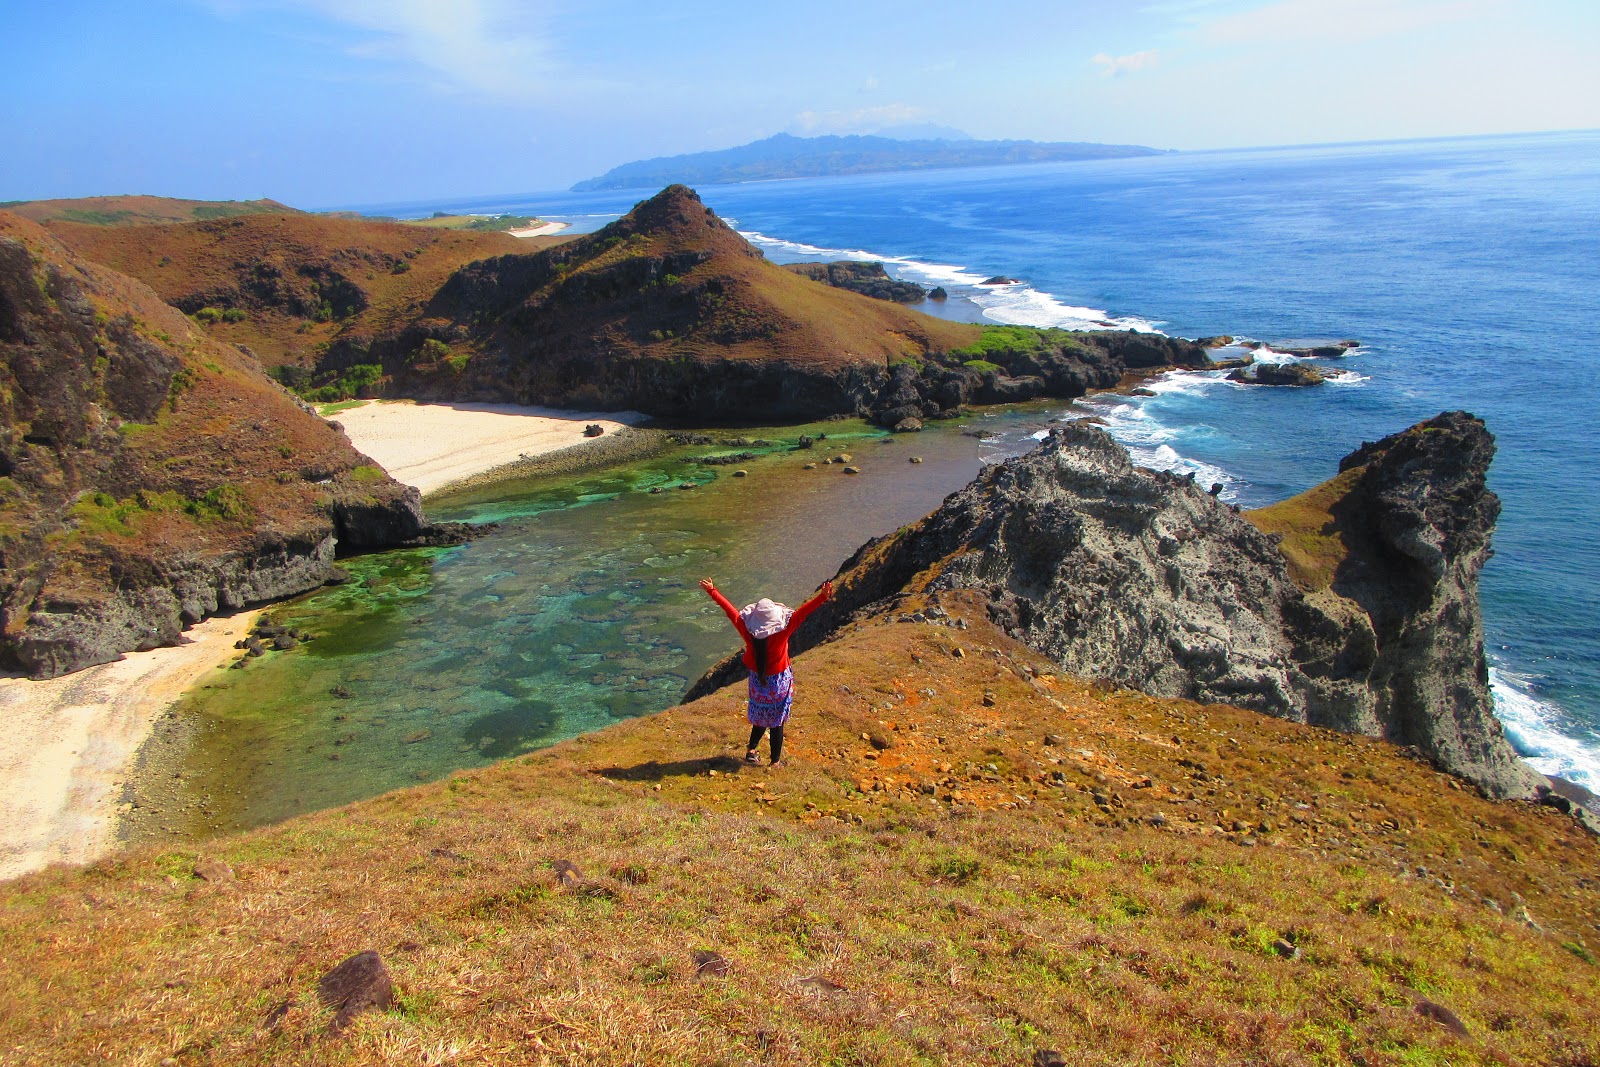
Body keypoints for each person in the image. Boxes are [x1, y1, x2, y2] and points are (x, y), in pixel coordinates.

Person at [700, 577, 833, 768]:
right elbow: (802, 614)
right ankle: (775, 762)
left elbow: (732, 613)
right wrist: (822, 597)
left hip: (757, 681)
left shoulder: (748, 632)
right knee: (777, 722)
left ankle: (751, 750)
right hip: (778, 681)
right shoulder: (783, 632)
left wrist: (713, 591)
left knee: (761, 715)